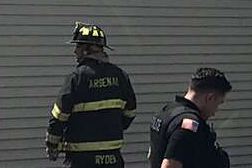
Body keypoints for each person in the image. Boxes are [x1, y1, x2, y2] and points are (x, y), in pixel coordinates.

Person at [45, 22, 137, 167]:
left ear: (87, 50)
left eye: (78, 47)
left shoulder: (77, 78)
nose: (75, 52)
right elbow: (130, 113)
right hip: (113, 159)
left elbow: (59, 116)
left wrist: (52, 144)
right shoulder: (120, 76)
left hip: (82, 160)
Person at [147, 68, 233, 168]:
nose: (215, 111)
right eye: (218, 104)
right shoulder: (189, 125)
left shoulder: (167, 112)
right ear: (210, 98)